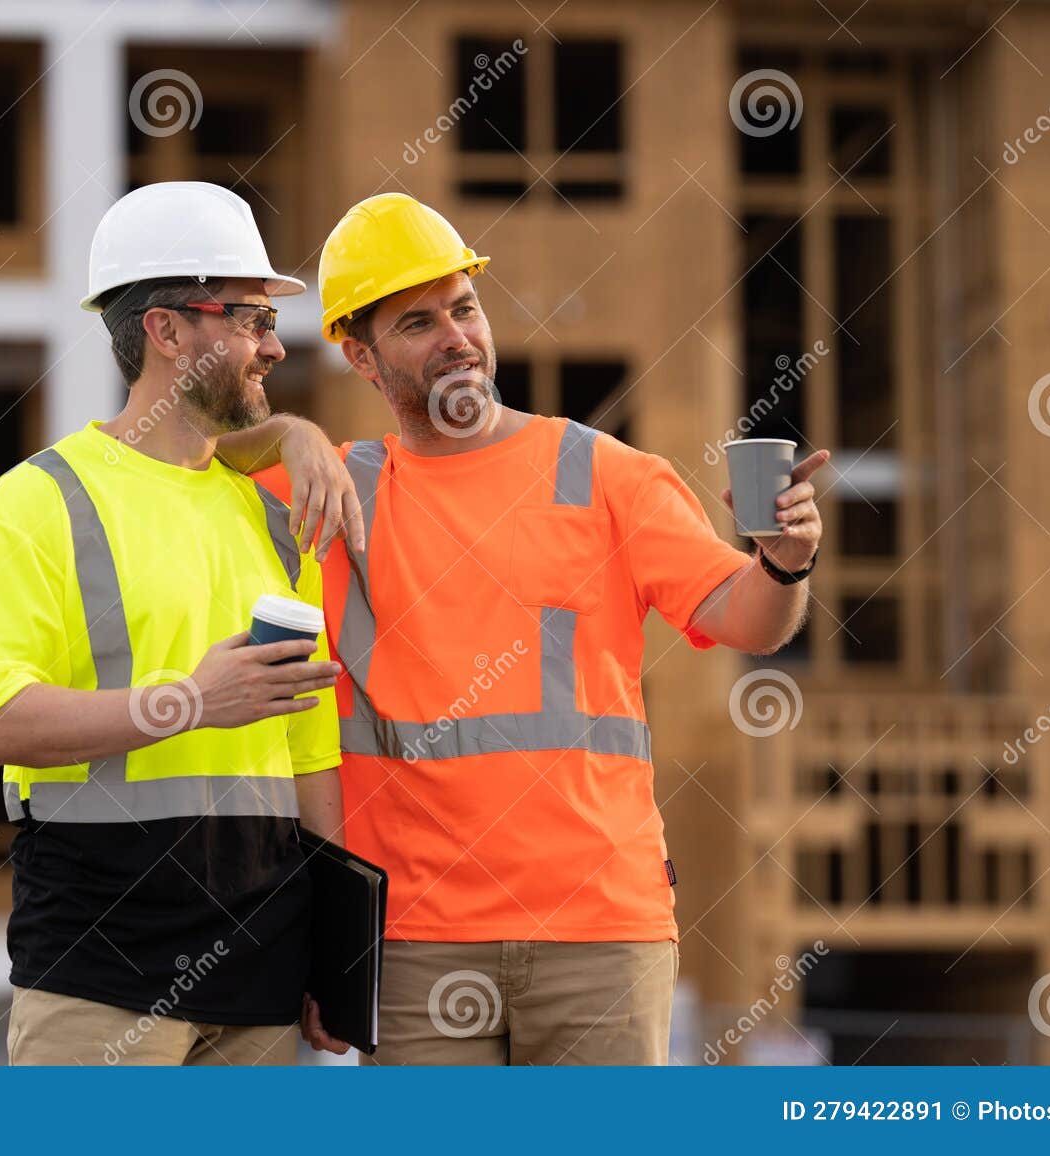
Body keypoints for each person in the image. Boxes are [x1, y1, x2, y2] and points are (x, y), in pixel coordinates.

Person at [220, 191, 829, 1065]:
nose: (457, 337)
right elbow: (188, 455)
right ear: (360, 354)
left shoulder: (605, 473)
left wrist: (784, 561)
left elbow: (748, 618)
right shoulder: (334, 491)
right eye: (418, 323)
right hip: (414, 943)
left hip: (600, 931)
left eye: (465, 308)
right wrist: (289, 432)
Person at [0, 182, 345, 1066]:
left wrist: (335, 950)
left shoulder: (277, 520)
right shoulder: (37, 502)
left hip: (264, 978)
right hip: (99, 972)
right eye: (247, 317)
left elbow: (311, 752)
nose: (274, 344)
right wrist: (189, 701)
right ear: (166, 331)